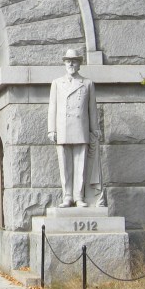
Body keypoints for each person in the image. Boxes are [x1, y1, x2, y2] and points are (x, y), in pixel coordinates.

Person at [47, 48, 99, 207]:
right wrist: (51, 129)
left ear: (79, 64)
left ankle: (78, 196)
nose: (70, 63)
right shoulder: (56, 83)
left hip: (80, 128)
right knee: (65, 166)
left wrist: (94, 129)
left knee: (80, 165)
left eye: (74, 61)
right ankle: (67, 196)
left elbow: (92, 109)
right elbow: (52, 107)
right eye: (68, 61)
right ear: (64, 63)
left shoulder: (88, 83)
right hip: (62, 128)